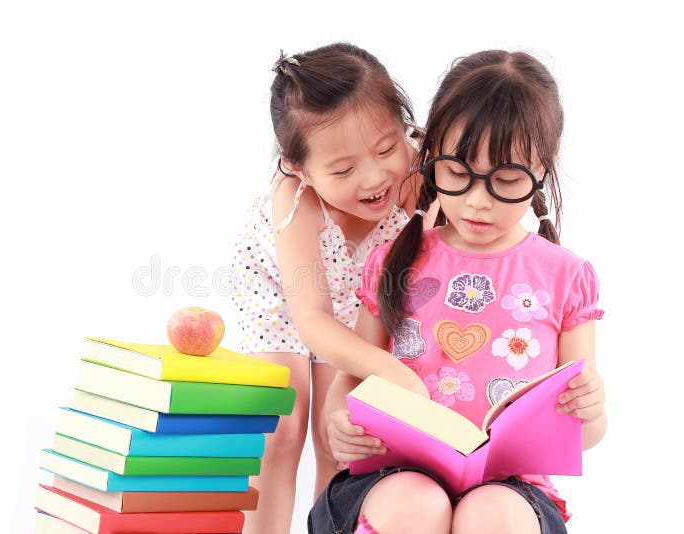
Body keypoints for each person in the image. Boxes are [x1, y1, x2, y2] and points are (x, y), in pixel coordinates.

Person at [308, 50, 607, 534]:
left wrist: (590, 410)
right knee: (417, 504)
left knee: (495, 514)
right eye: (457, 173)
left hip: (512, 485)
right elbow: (349, 380)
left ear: (539, 176)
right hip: (391, 477)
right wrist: (339, 422)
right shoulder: (395, 261)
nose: (476, 200)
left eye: (506, 180)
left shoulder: (566, 275)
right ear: (429, 161)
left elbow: (583, 432)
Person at [230, 43, 436, 534]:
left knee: (338, 432)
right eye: (342, 170)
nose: (373, 177)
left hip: (363, 294)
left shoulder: (416, 173)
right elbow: (313, 321)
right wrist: (390, 370)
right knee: (279, 424)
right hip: (286, 294)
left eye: (386, 149)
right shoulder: (295, 198)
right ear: (298, 168)